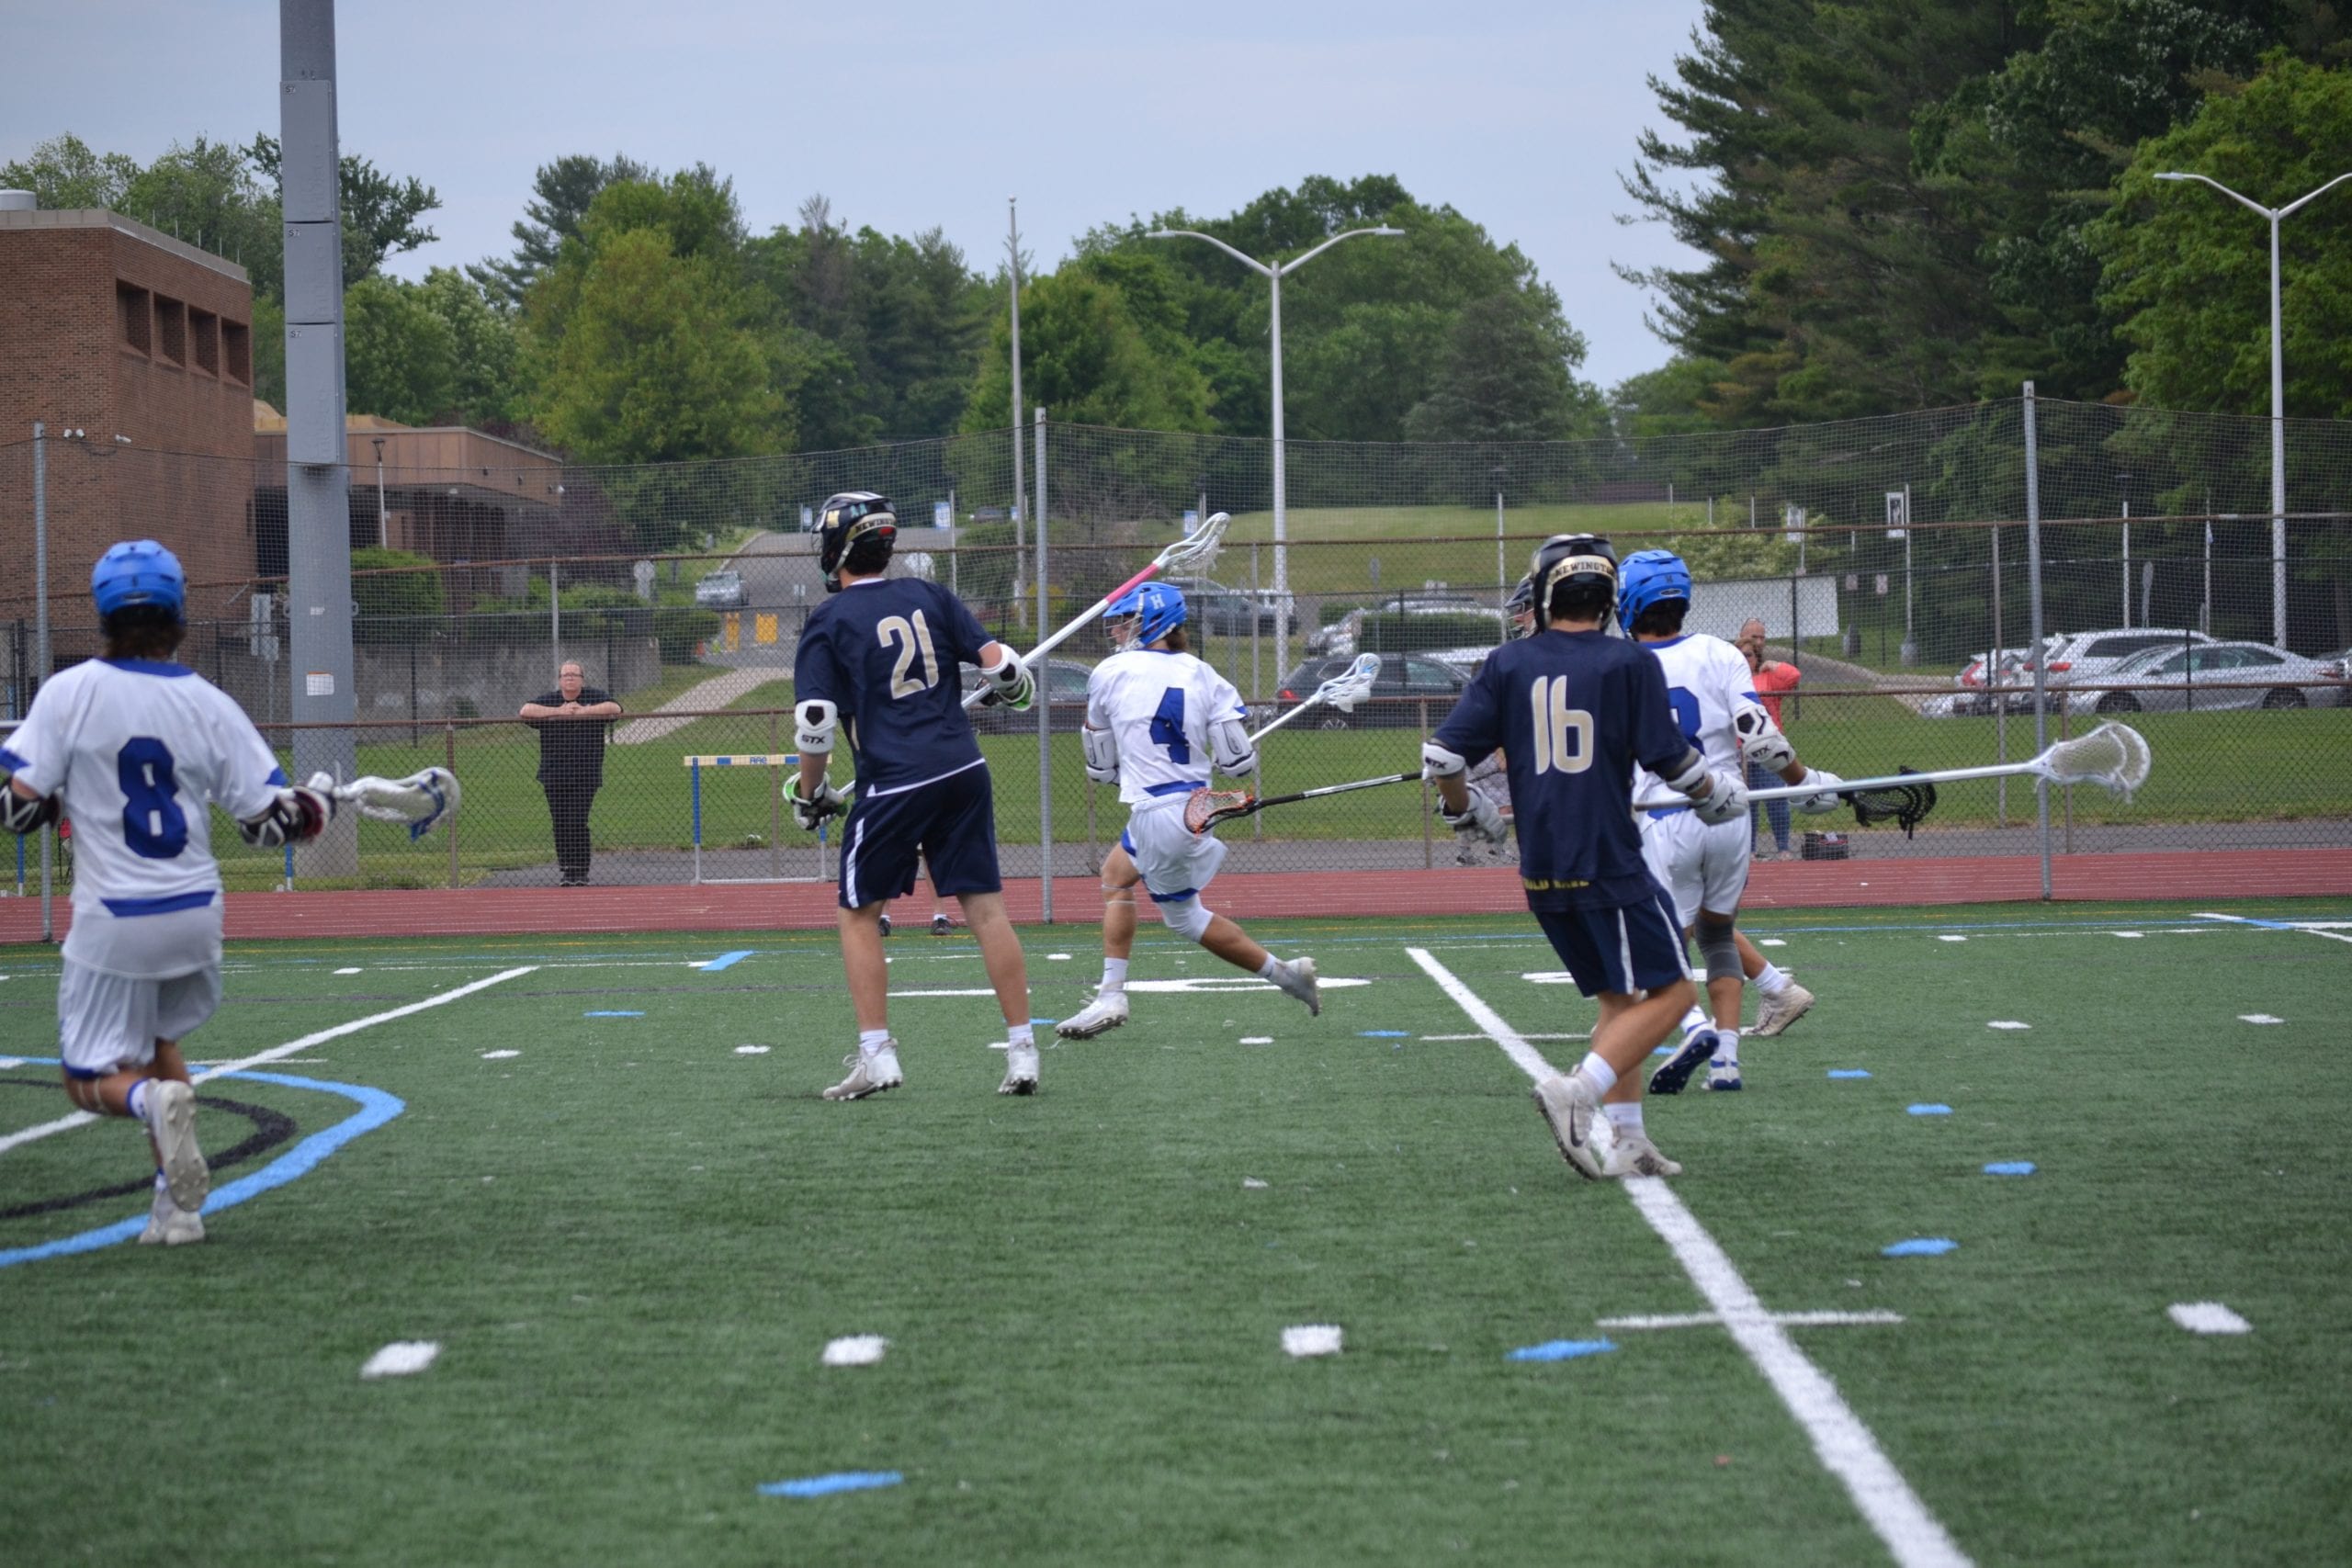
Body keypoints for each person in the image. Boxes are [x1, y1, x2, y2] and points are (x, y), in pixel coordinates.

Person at [1, 541, 334, 1246]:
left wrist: (60, 795)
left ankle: (148, 1102)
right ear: (178, 612)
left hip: (113, 918)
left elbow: (19, 811)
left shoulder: (68, 691)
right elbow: (265, 824)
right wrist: (314, 811)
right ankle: (176, 1209)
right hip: (195, 913)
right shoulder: (207, 701)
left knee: (88, 1077)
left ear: (103, 615)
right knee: (156, 1039)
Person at [1423, 535, 1749, 1180]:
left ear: (1547, 594)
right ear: (1608, 598)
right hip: (1608, 856)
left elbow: (1442, 757)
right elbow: (1671, 759)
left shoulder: (1507, 662)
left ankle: (1629, 1140)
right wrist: (1717, 793)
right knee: (1673, 992)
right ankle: (1579, 1089)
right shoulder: (1628, 662)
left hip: (1542, 865)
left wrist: (1465, 808)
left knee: (1620, 999)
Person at [786, 491, 1039, 1100]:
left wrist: (811, 791)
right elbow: (1003, 670)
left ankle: (877, 1053)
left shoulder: (830, 619)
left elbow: (816, 721)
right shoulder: (931, 595)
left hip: (895, 779)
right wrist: (1014, 683)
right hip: (962, 768)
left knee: (858, 913)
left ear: (836, 548)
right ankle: (1024, 1050)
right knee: (987, 911)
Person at [1054, 583, 1320, 1040]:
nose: (1116, 631)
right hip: (1189, 806)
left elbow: (1100, 767)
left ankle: (1283, 976)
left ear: (1154, 624)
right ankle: (1285, 975)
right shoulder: (1205, 675)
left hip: (1158, 811)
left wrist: (1130, 771)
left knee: (1184, 917)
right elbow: (1239, 763)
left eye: (1126, 622)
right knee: (1115, 874)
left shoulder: (1108, 672)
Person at [1622, 554, 1842, 1094]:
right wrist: (1803, 782)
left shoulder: (1618, 665)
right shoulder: (1721, 653)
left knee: (1658, 943)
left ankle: (1692, 1028)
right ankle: (1726, 1060)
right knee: (1716, 933)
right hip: (1730, 816)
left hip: (1664, 817)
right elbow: (1761, 737)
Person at [519, 661, 620, 886]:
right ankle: (567, 870)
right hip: (554, 774)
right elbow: (525, 710)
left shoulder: (594, 696)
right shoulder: (550, 700)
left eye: (575, 674)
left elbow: (615, 708)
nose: (570, 678)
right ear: (560, 679)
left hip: (585, 774)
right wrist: (560, 711)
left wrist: (583, 711)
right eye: (566, 675)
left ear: (582, 678)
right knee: (560, 822)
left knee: (577, 820)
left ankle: (581, 870)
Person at [1736, 619, 1802, 860]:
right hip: (1740, 751)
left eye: (1750, 655)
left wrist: (1774, 665)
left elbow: (1793, 676)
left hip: (1769, 748)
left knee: (1776, 798)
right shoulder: (1731, 679)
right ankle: (1751, 850)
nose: (1746, 659)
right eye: (1742, 655)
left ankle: (1783, 848)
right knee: (1748, 804)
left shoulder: (1767, 678)